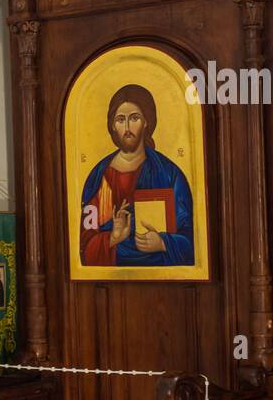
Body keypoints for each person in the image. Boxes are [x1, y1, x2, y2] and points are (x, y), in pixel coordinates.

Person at [79, 83, 194, 267]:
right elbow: (85, 246)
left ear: (146, 121)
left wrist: (164, 243)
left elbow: (192, 239)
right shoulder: (100, 177)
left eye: (134, 118)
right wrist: (112, 238)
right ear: (113, 126)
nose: (127, 127)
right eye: (120, 119)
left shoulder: (169, 174)